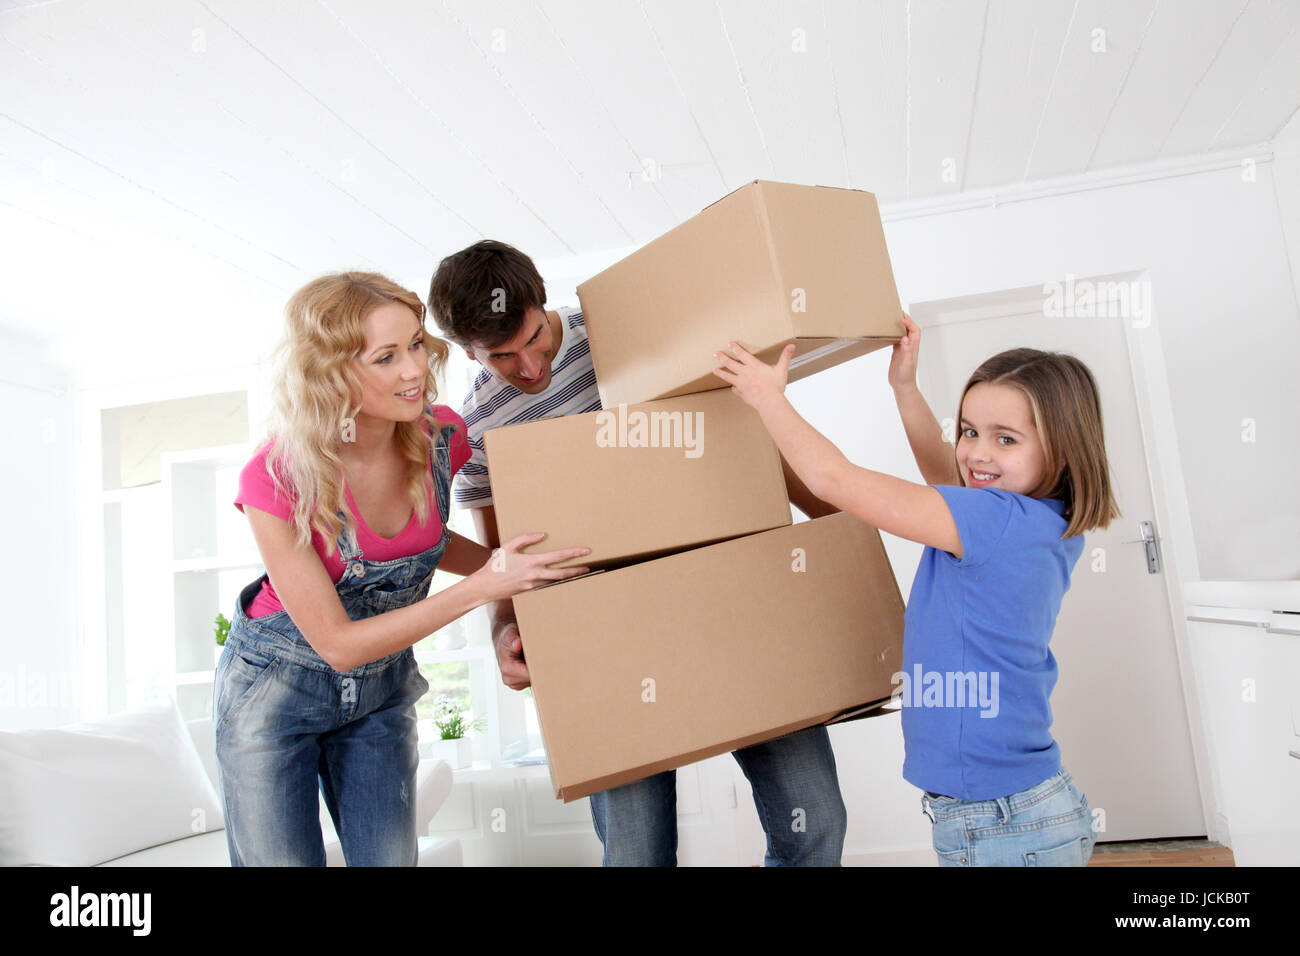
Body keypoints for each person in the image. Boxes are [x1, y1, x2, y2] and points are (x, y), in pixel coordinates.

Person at [427, 240, 849, 866]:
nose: (528, 365)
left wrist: (840, 528)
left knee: (815, 821)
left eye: (535, 338)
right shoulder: (480, 426)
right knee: (635, 853)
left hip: (730, 603)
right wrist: (503, 634)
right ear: (468, 351)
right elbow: (501, 559)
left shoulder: (623, 334)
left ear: (545, 304)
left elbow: (737, 438)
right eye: (500, 355)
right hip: (604, 642)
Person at [713, 312, 1120, 867]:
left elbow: (835, 480)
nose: (978, 452)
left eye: (1006, 439)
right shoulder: (1038, 519)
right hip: (1016, 810)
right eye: (970, 431)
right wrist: (904, 387)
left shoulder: (994, 522)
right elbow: (947, 477)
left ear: (1064, 450)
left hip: (1000, 822)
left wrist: (768, 400)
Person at [214, 271, 589, 866]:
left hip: (381, 690)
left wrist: (515, 564)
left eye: (415, 344)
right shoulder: (276, 477)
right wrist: (486, 585)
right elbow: (337, 645)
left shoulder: (439, 435)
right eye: (385, 357)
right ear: (331, 372)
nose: (414, 369)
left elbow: (426, 542)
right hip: (277, 692)